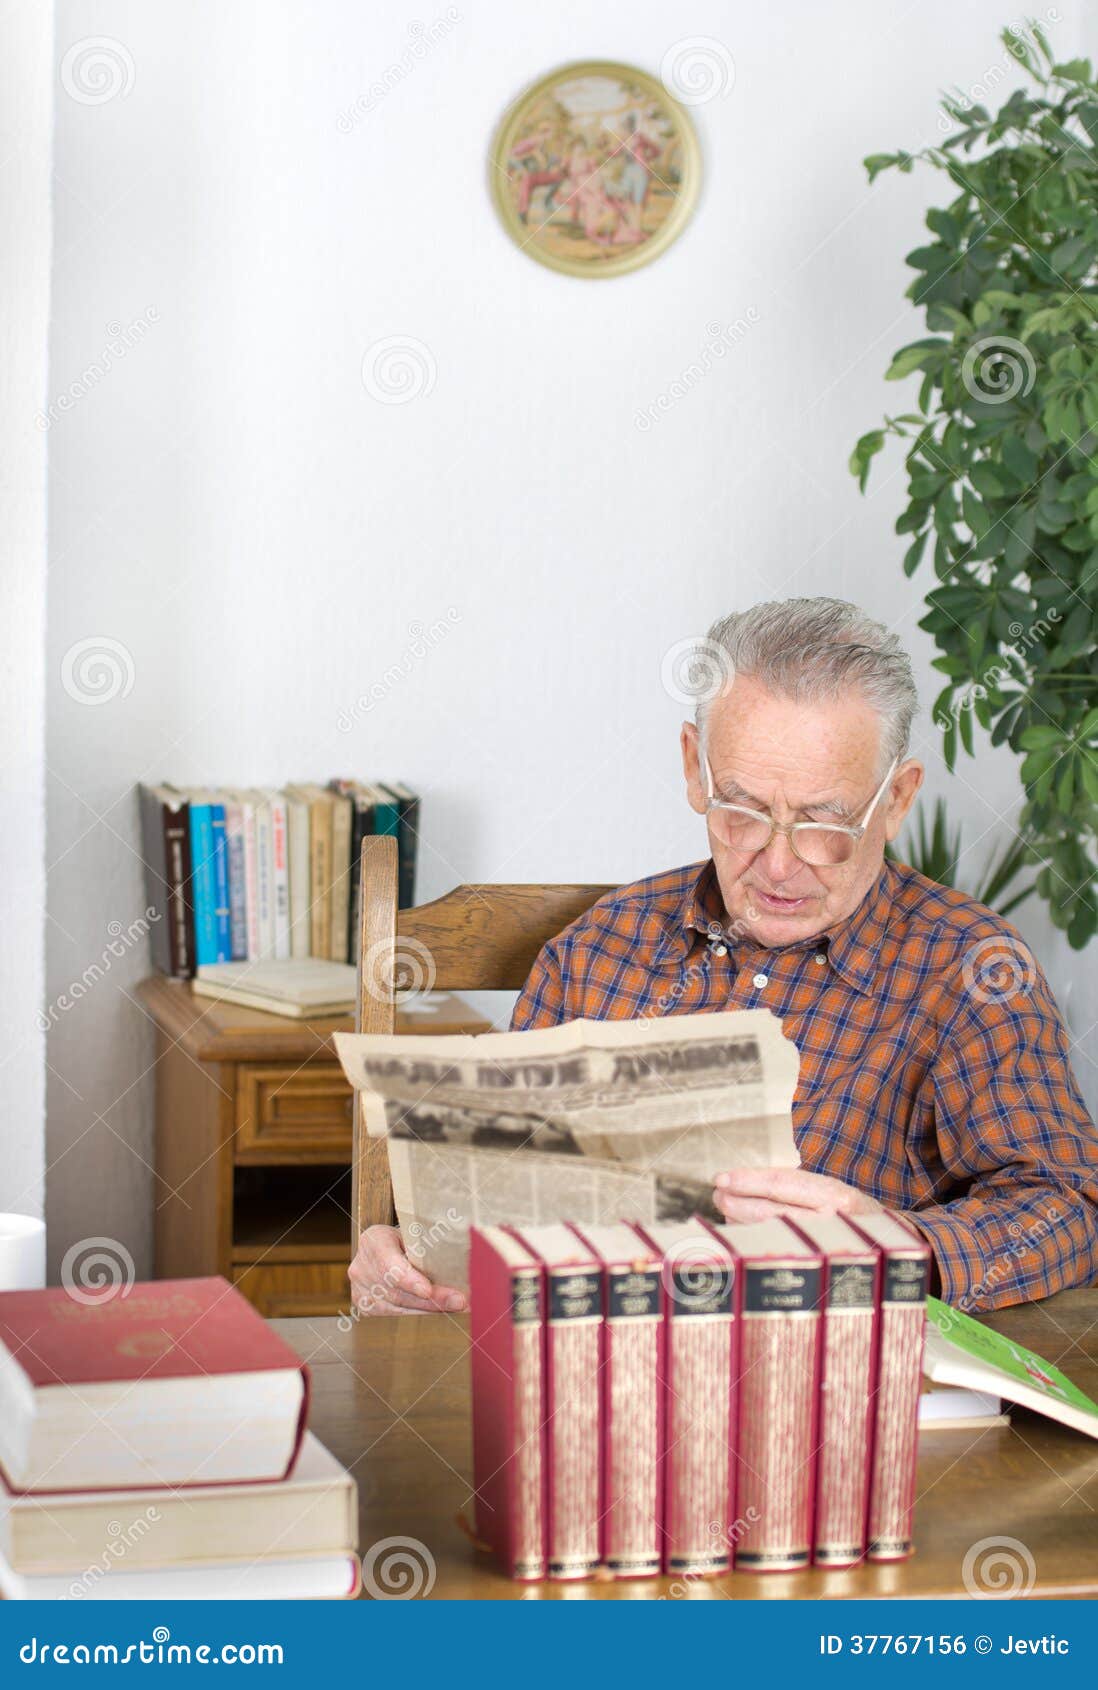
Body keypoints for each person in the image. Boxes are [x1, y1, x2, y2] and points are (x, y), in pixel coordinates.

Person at [349, 597, 1098, 1317]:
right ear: (694, 769)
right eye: (742, 811)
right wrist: (406, 1261)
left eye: (824, 822)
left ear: (896, 799)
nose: (778, 864)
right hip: (598, 1378)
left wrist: (898, 1248)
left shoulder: (970, 969)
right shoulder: (595, 950)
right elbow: (487, 1205)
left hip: (828, 1382)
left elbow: (1072, 1208)